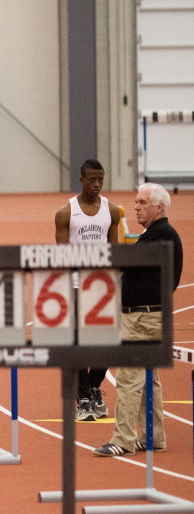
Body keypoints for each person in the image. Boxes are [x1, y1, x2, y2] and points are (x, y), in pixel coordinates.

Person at [94, 183, 183, 457]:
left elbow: (124, 263)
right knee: (148, 381)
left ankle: (122, 440)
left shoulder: (160, 234)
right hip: (148, 316)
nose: (136, 207)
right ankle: (153, 436)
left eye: (142, 202)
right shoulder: (158, 234)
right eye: (136, 202)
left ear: (159, 207)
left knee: (129, 379)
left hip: (143, 318)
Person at [54, 159, 120, 422]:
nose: (97, 184)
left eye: (100, 179)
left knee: (107, 343)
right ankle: (82, 398)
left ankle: (93, 387)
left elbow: (115, 252)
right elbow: (61, 255)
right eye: (92, 179)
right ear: (81, 179)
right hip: (75, 285)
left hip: (102, 287)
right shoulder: (66, 213)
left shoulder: (111, 211)